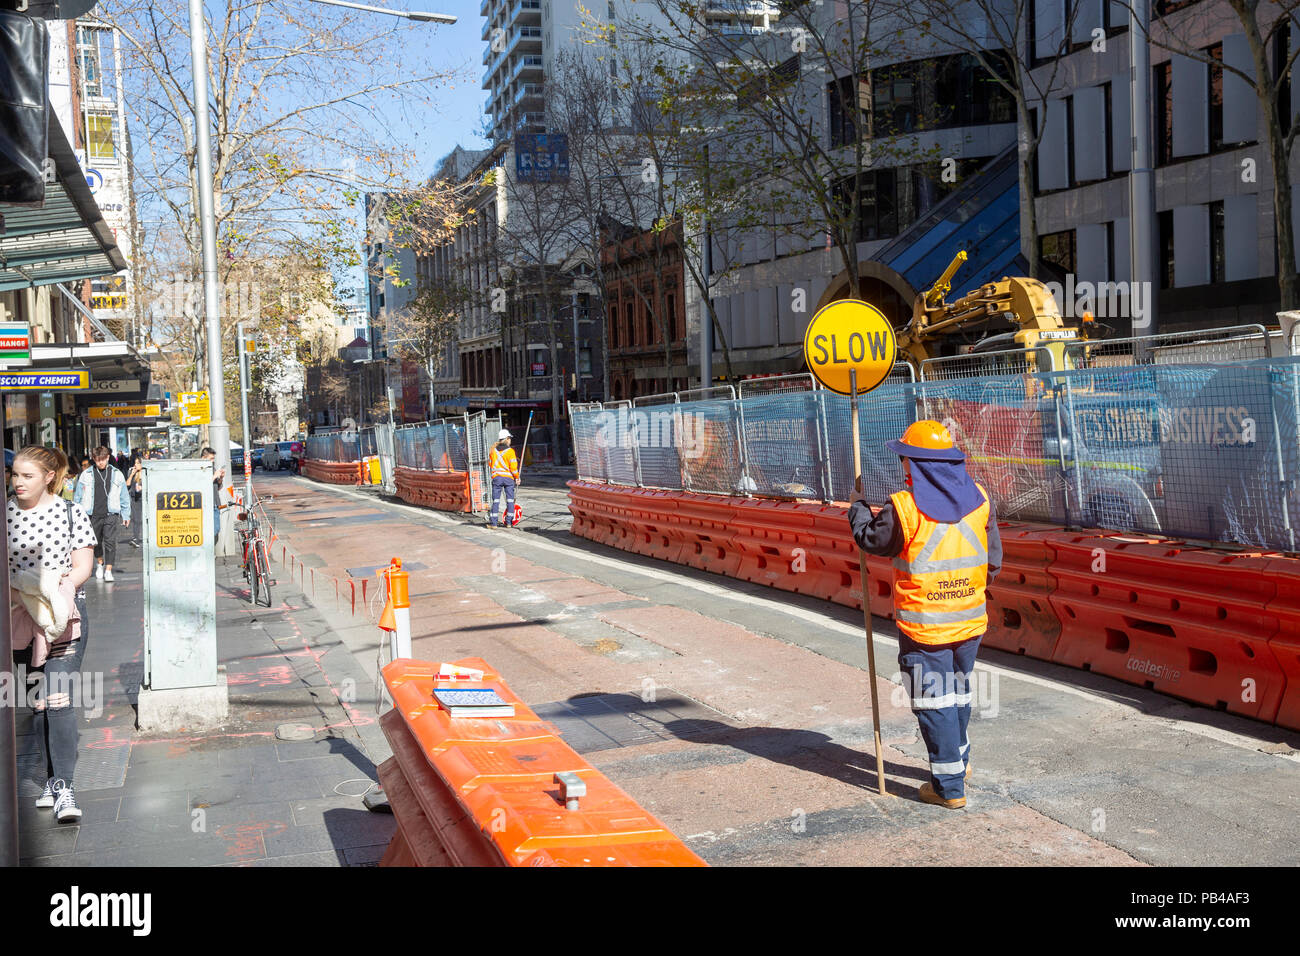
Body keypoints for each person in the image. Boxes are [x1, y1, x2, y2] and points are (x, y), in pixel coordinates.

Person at [847, 420, 1002, 810]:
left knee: (935, 702)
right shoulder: (981, 499)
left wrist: (858, 508)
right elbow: (993, 561)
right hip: (969, 622)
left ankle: (949, 787)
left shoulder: (904, 508)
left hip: (925, 627)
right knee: (959, 693)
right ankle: (959, 763)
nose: (903, 467)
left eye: (906, 459)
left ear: (918, 464)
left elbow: (871, 540)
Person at [8, 446, 97, 823]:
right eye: (14, 475)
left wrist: (53, 592)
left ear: (48, 477)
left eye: (26, 475)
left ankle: (65, 789)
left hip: (63, 621)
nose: (17, 482)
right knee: (38, 705)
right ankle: (49, 779)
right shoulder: (4, 514)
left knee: (57, 698)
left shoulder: (70, 513)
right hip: (17, 625)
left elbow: (83, 567)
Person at [73, 446, 131, 582]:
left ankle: (109, 570)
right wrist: (77, 515)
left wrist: (126, 515)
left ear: (108, 458)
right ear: (94, 459)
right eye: (98, 460)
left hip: (111, 513)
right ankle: (100, 563)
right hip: (92, 514)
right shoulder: (86, 475)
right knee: (96, 541)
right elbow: (78, 496)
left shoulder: (117, 474)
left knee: (110, 541)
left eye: (103, 460)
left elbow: (124, 496)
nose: (101, 463)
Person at [488, 428, 520, 528]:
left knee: (496, 501)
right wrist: (517, 477)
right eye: (510, 438)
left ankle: (493, 523)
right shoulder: (510, 451)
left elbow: (490, 464)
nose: (510, 440)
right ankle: (509, 523)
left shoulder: (493, 451)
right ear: (506, 439)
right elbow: (513, 468)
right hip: (508, 479)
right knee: (510, 500)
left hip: (497, 478)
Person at [201, 447, 225, 543]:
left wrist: (220, 478)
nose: (213, 460)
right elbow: (201, 486)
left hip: (215, 502)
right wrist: (214, 476)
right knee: (212, 529)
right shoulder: (200, 469)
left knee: (216, 528)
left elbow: (218, 487)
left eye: (213, 458)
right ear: (203, 457)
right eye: (211, 458)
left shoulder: (212, 467)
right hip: (206, 504)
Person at [127, 452, 145, 547]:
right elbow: (127, 484)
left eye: (138, 463)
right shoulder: (132, 472)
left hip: (145, 498)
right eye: (135, 463)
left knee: (147, 519)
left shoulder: (146, 472)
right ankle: (136, 538)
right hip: (135, 498)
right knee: (136, 519)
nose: (135, 465)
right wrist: (131, 474)